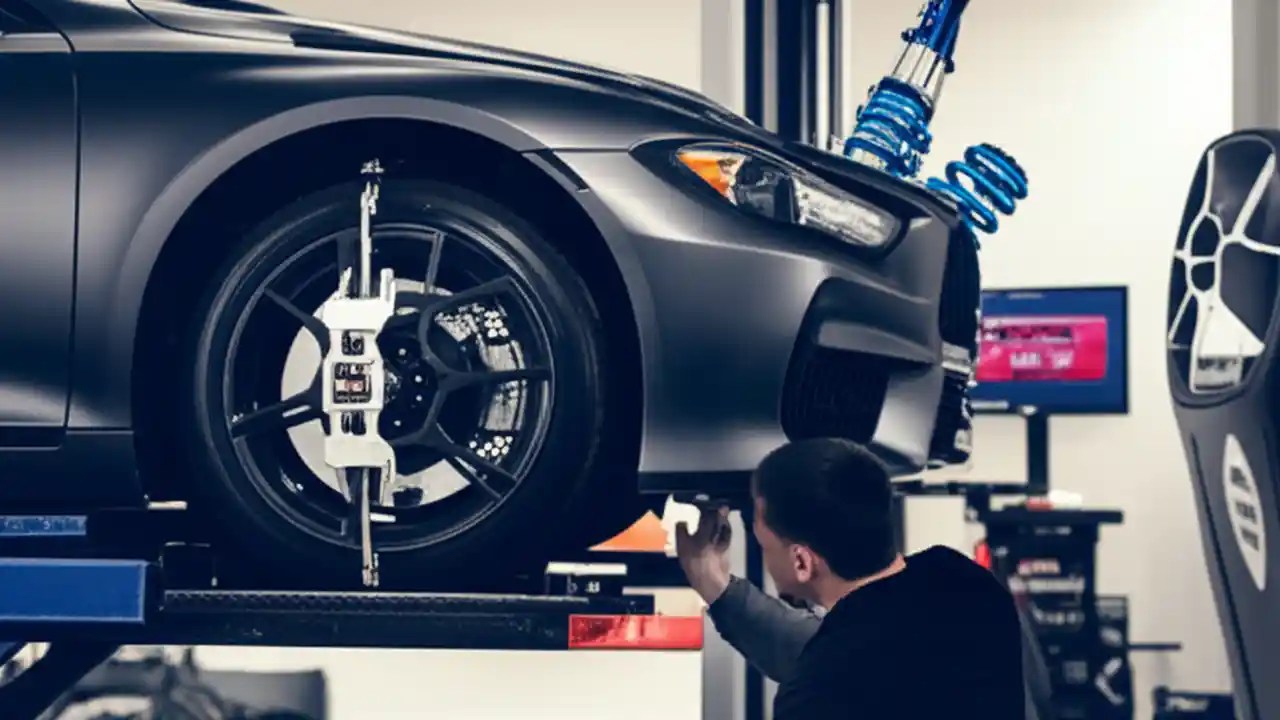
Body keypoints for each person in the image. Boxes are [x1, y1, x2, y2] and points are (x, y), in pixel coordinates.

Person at [677, 437, 1036, 719]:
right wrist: (714, 584)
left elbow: (839, 661)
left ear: (802, 561)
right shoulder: (965, 582)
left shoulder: (814, 695)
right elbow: (844, 652)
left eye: (763, 542)